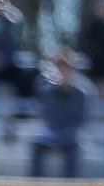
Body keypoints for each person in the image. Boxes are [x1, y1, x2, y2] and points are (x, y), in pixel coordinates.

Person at [31, 49, 93, 178]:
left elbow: (80, 120)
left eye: (66, 69)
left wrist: (66, 133)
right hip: (52, 134)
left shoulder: (81, 94)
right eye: (59, 68)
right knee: (36, 145)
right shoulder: (47, 91)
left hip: (71, 136)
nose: (62, 72)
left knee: (73, 148)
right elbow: (48, 117)